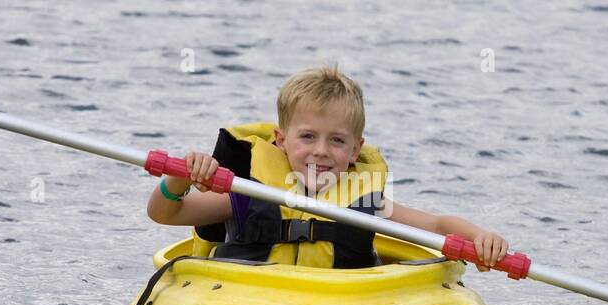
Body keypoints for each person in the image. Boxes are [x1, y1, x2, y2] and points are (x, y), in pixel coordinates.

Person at [146, 66, 509, 270]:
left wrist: (482, 238)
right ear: (281, 140)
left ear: (355, 150)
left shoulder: (366, 204)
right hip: (247, 300)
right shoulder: (246, 194)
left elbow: (437, 226)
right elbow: (165, 213)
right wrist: (179, 176)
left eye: (336, 141)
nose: (320, 151)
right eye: (307, 137)